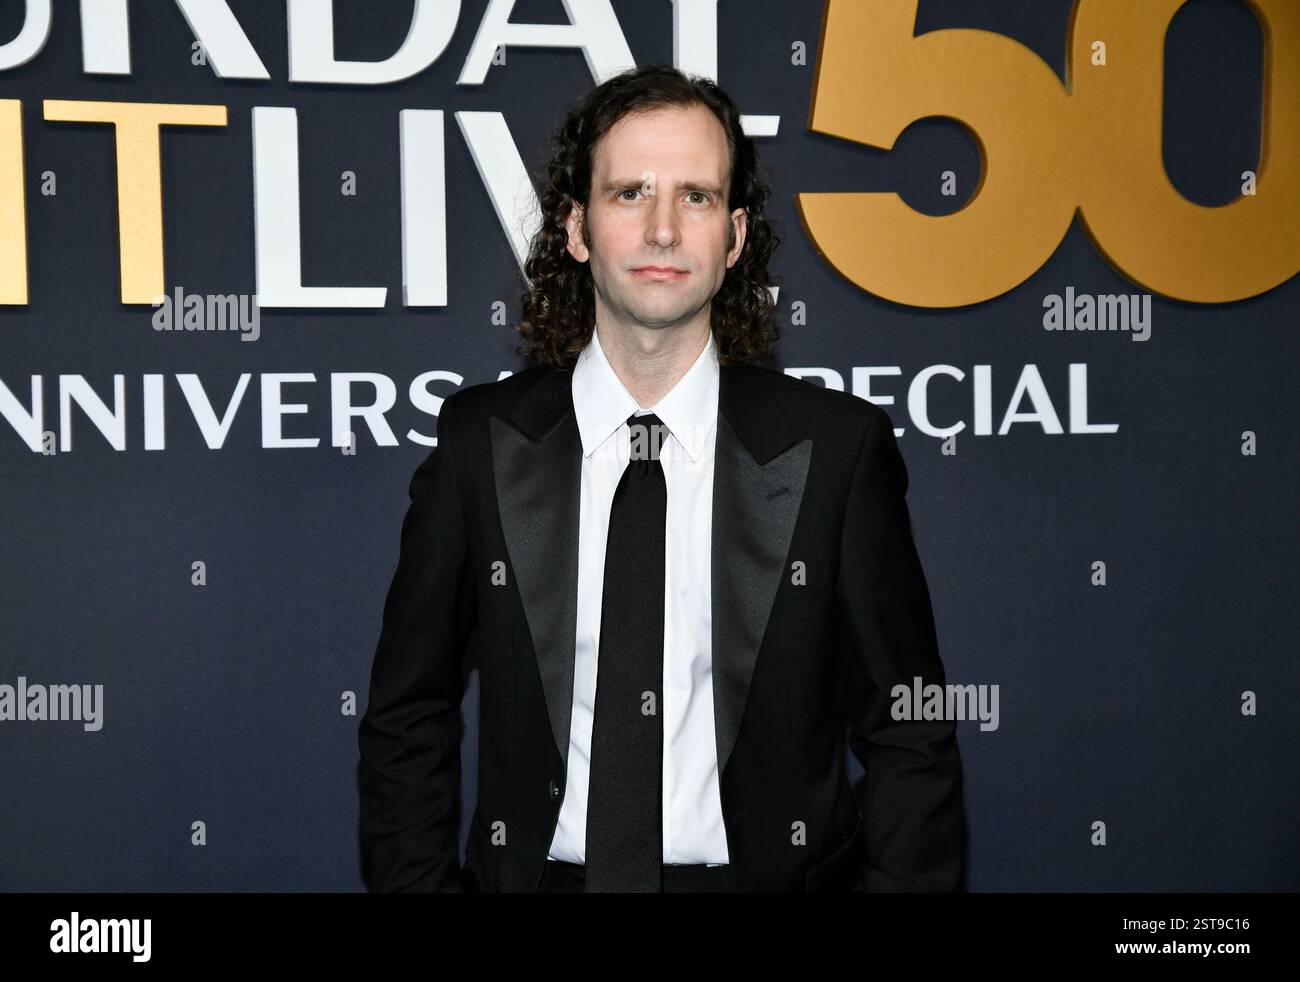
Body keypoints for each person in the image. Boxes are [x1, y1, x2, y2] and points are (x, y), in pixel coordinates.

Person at [357, 64, 964, 893]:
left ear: (736, 237)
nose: (664, 230)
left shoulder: (837, 451)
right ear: (576, 228)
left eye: (698, 197)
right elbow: (407, 716)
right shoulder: (478, 446)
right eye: (631, 193)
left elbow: (911, 729)